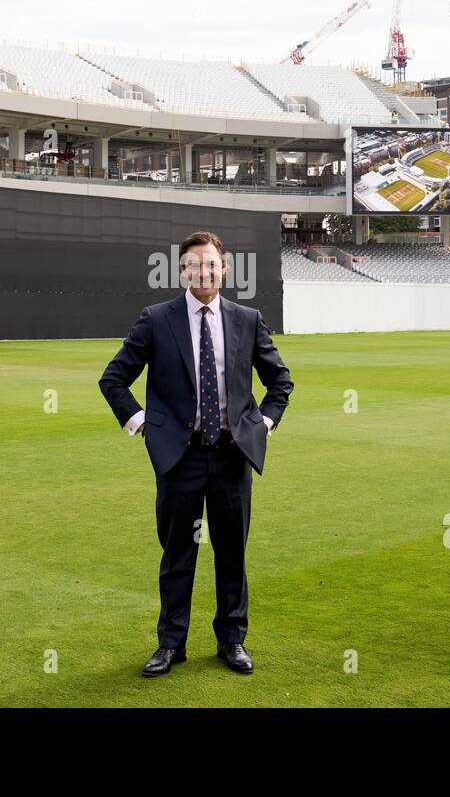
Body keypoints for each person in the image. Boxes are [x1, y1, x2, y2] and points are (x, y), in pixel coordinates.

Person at [99, 231, 293, 676]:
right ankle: (171, 644)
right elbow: (113, 379)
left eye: (211, 264)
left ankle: (232, 640)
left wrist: (261, 424)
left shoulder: (247, 318)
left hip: (231, 457)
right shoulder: (156, 319)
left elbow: (280, 381)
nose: (203, 272)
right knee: (177, 555)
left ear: (224, 268)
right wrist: (144, 423)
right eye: (194, 265)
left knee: (231, 554)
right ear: (182, 270)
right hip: (178, 459)